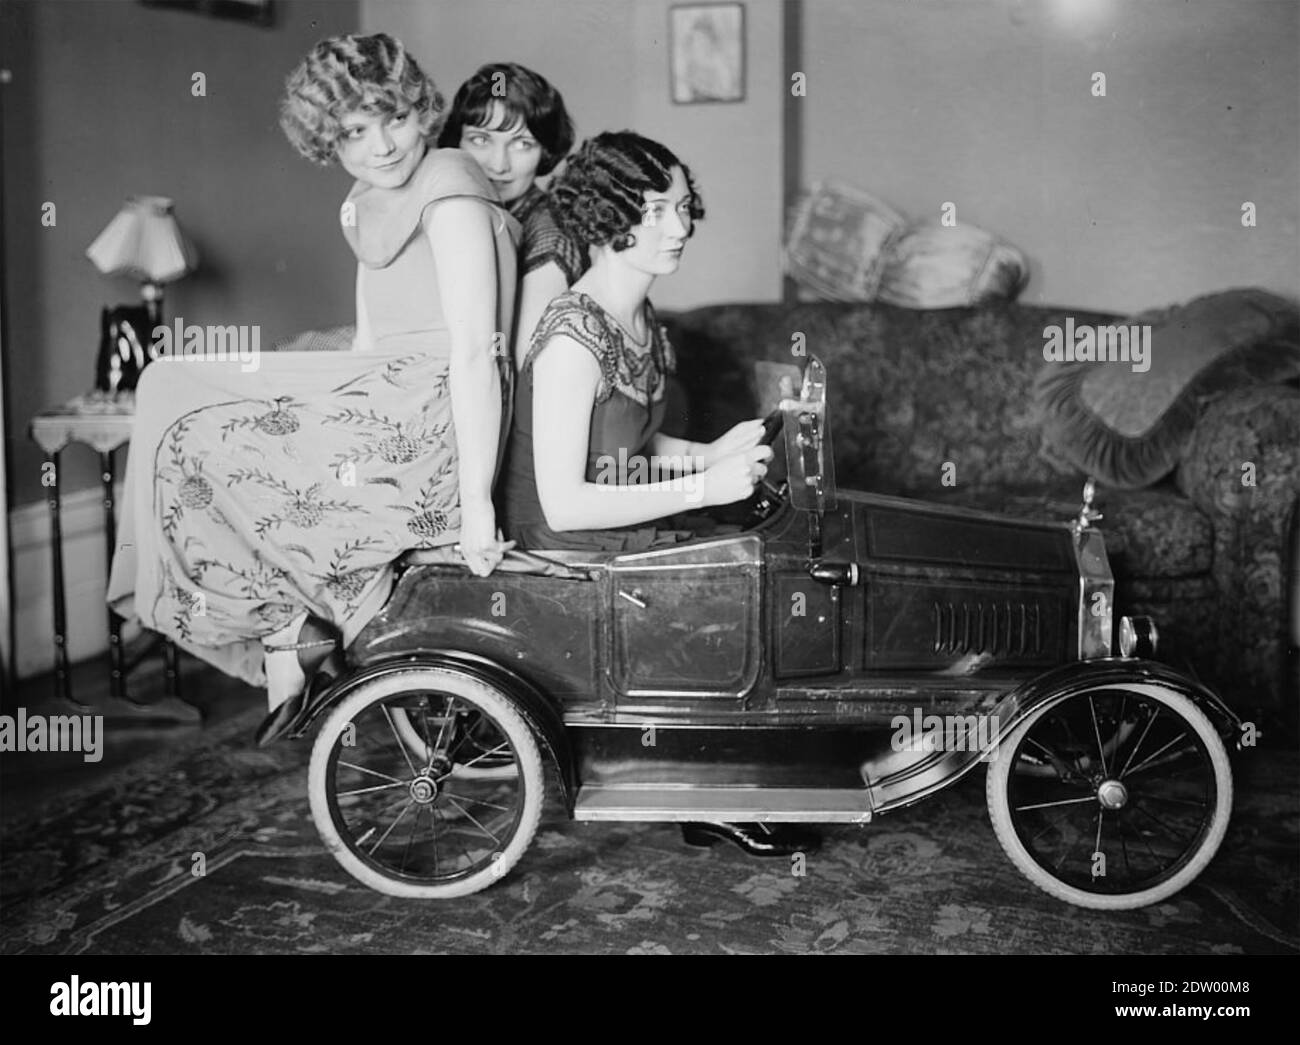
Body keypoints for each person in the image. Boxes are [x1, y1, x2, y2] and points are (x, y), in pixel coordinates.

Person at [107, 33, 517, 745]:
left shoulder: (449, 184)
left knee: (196, 419)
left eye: (394, 118)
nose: (383, 145)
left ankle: (284, 633)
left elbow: (477, 353)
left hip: (431, 415)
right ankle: (286, 628)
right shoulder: (368, 201)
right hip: (378, 393)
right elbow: (364, 342)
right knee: (169, 388)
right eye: (356, 131)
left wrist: (477, 507)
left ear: (421, 110)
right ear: (328, 139)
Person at [500, 131, 820, 856]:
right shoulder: (571, 341)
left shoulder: (639, 320)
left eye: (682, 207)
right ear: (607, 215)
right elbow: (566, 503)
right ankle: (714, 787)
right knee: (741, 578)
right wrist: (705, 482)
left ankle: (720, 780)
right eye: (655, 210)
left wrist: (710, 451)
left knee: (761, 543)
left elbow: (631, 449)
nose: (680, 227)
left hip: (608, 517)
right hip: (564, 545)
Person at [439, 62, 586, 365]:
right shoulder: (463, 211)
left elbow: (523, 368)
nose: (498, 164)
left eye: (521, 144)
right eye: (481, 139)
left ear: (545, 152)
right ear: (457, 141)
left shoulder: (549, 238)